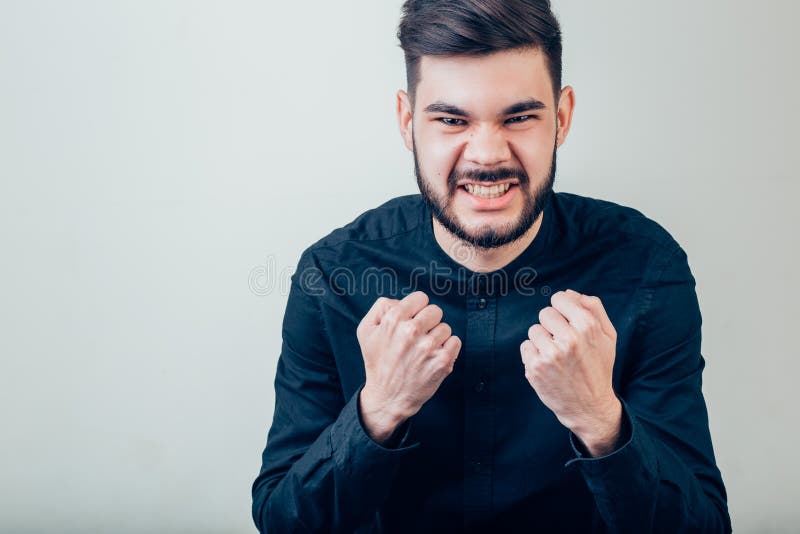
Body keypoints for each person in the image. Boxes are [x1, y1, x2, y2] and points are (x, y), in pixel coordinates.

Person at [251, 1, 731, 532]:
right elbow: (281, 521)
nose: (486, 154)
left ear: (563, 117)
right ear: (409, 123)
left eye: (519, 117)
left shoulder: (646, 268)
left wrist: (600, 419)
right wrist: (379, 410)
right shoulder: (332, 278)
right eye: (451, 119)